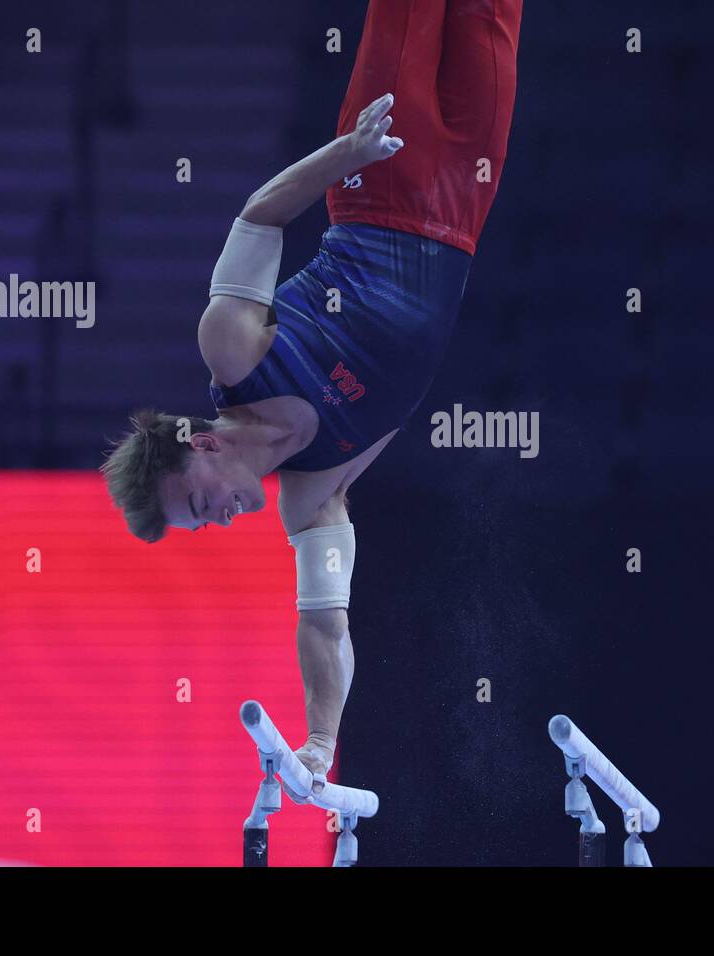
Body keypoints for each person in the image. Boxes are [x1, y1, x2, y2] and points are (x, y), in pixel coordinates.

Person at [102, 0, 522, 780]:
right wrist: (321, 744)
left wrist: (349, 150)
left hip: (379, 176)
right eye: (201, 526)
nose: (219, 521)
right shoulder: (313, 494)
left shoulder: (232, 349)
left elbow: (260, 216)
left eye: (197, 505)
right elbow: (325, 627)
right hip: (465, 207)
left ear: (198, 444)